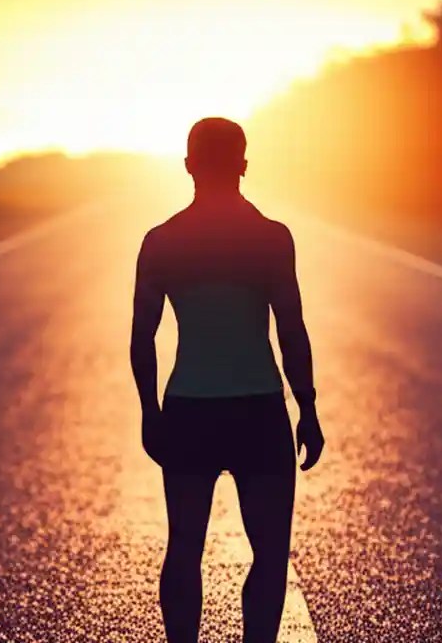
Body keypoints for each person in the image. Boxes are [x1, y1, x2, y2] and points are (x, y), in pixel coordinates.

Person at [130, 117, 325, 643]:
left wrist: (151, 413)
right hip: (258, 413)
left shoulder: (162, 241)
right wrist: (306, 408)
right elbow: (291, 328)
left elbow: (142, 338)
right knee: (269, 552)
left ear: (189, 165)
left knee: (185, 546)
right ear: (243, 165)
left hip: (190, 411)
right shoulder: (270, 238)